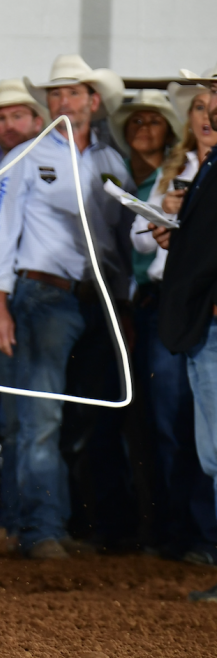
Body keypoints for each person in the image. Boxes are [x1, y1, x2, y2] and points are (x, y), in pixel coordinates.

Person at [0, 54, 128, 560]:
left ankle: (44, 523)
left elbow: (116, 240)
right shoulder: (30, 155)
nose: (63, 101)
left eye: (73, 93)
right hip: (42, 295)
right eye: (56, 94)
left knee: (75, 420)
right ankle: (42, 530)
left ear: (93, 101)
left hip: (97, 300)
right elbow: (1, 232)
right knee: (41, 419)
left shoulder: (111, 162)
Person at [132, 80, 217, 566]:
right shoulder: (178, 171)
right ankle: (179, 529)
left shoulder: (196, 174)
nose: (206, 116)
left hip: (196, 303)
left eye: (211, 107)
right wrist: (162, 221)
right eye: (199, 108)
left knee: (203, 431)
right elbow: (140, 240)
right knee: (173, 428)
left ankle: (204, 535)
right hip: (174, 303)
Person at [0, 77, 48, 546]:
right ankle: (23, 522)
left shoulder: (64, 162)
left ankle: (39, 523)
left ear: (37, 120)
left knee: (41, 422)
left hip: (53, 298)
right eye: (1, 117)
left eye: (17, 115)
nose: (8, 124)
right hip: (15, 301)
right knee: (22, 421)